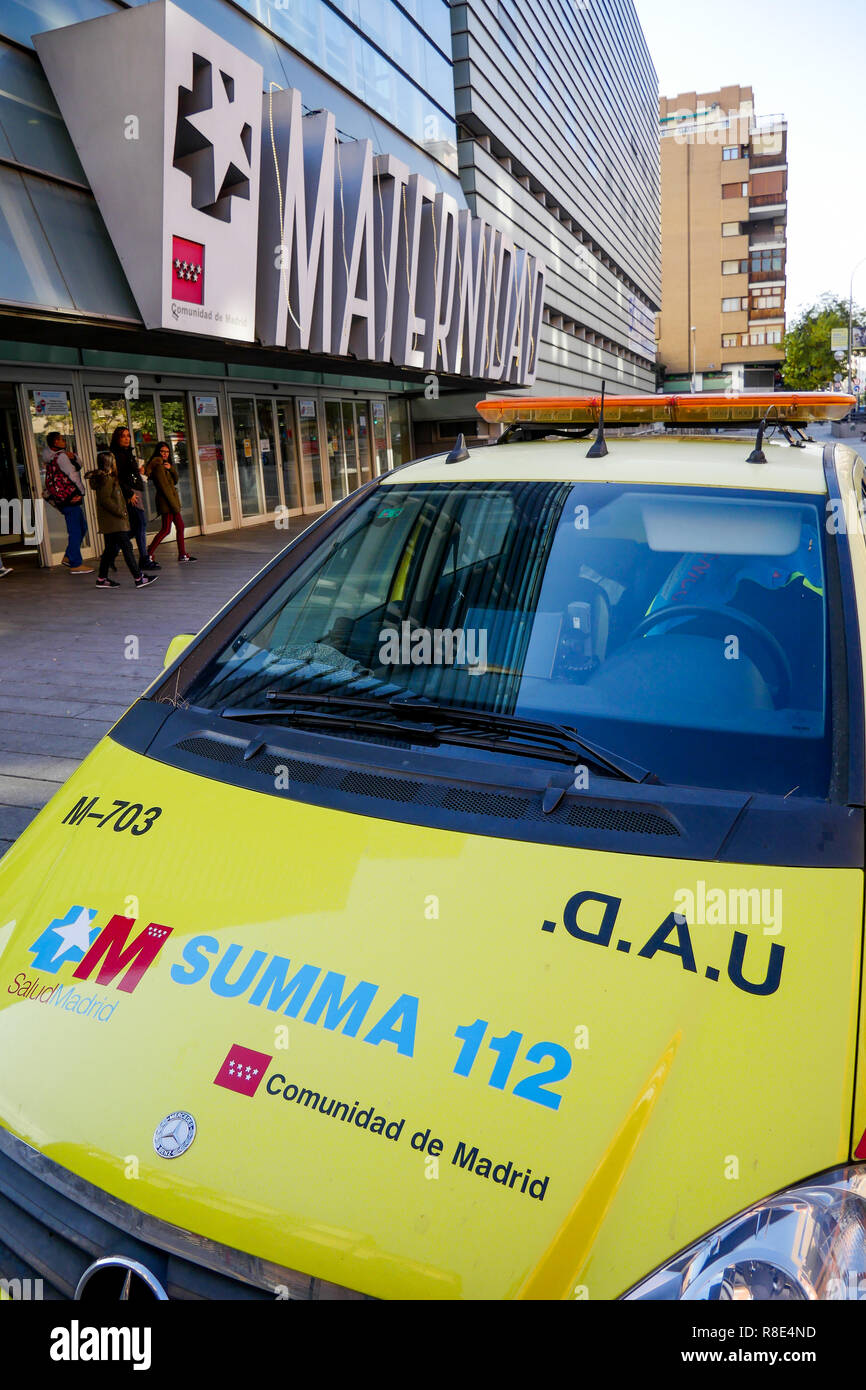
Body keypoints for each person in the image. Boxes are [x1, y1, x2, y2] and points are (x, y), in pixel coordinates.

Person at [86, 451, 158, 589]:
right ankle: (139, 578)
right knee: (127, 548)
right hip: (115, 521)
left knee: (110, 551)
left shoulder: (108, 479)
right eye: (113, 461)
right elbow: (105, 500)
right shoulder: (107, 480)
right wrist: (122, 512)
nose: (116, 463)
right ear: (109, 463)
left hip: (112, 522)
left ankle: (102, 579)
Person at [42, 431, 93, 574]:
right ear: (55, 442)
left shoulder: (51, 457)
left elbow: (78, 464)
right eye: (61, 439)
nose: (64, 441)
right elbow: (73, 474)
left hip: (62, 498)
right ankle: (76, 564)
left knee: (82, 527)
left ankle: (69, 556)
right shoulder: (62, 457)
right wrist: (81, 492)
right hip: (70, 498)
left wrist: (74, 456)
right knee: (76, 530)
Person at [109, 425, 158, 571]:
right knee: (140, 524)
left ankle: (110, 555)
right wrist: (129, 493)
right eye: (123, 436)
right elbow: (117, 477)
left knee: (135, 528)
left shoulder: (127, 453)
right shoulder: (117, 455)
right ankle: (144, 559)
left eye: (128, 436)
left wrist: (139, 472)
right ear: (117, 438)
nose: (126, 438)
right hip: (130, 494)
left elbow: (129, 474)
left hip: (135, 491)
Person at [145, 443, 196, 562]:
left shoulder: (164, 465)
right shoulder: (158, 466)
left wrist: (171, 468)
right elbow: (165, 487)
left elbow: (175, 481)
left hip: (171, 501)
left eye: (167, 452)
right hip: (167, 502)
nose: (165, 454)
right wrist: (174, 505)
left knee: (180, 526)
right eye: (162, 451)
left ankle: (182, 554)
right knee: (166, 529)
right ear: (158, 452)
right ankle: (148, 554)